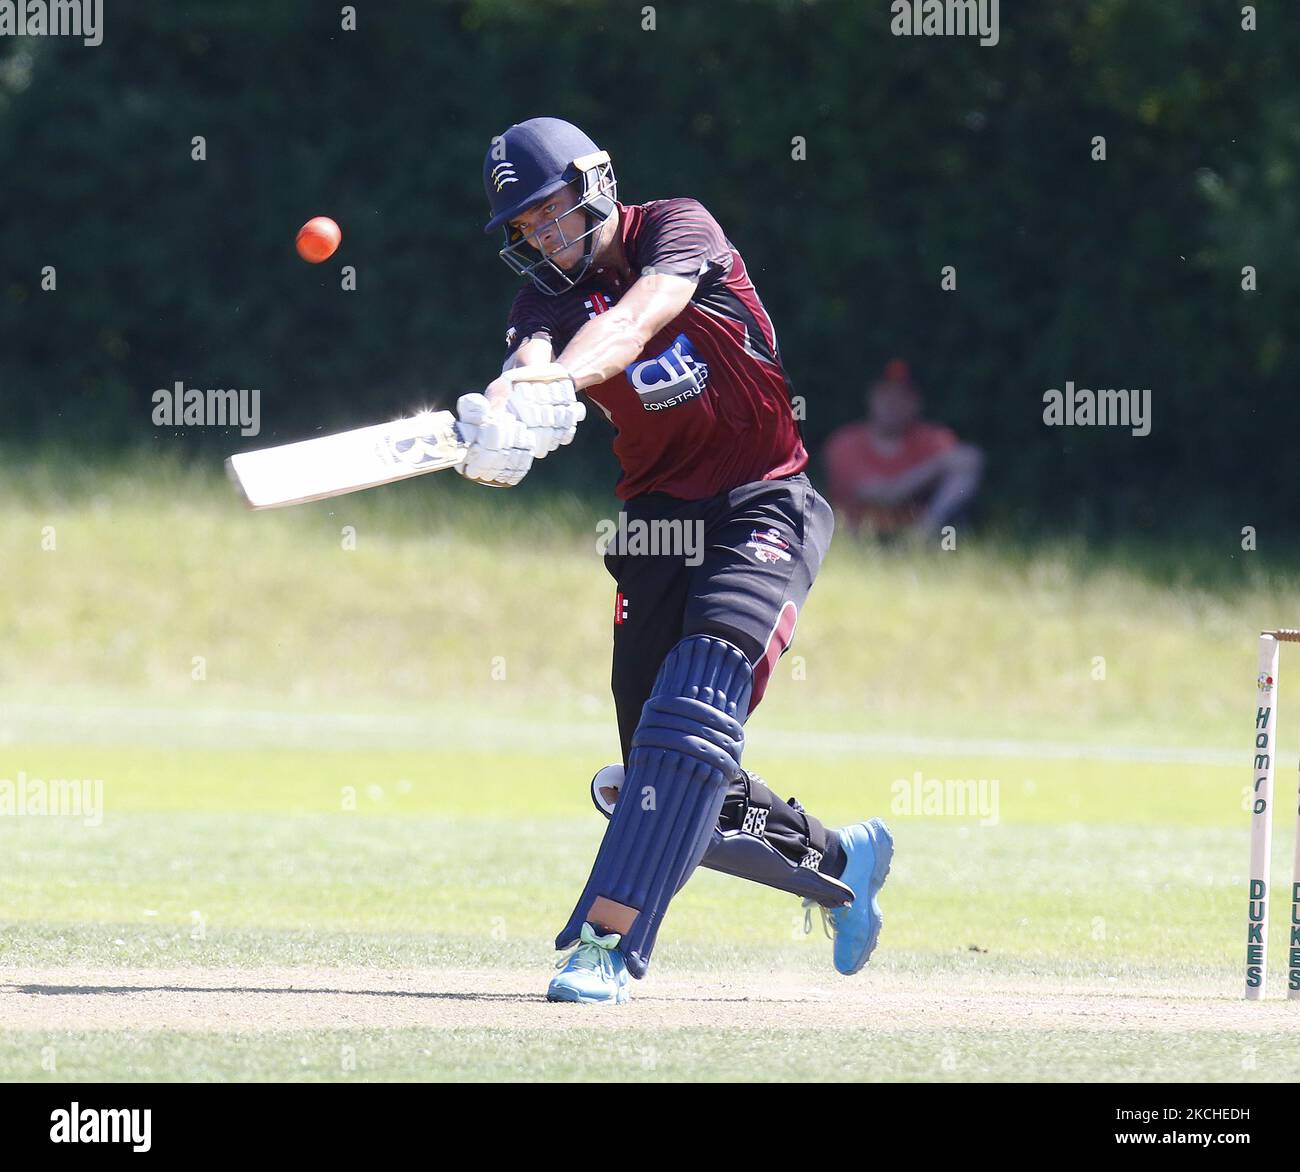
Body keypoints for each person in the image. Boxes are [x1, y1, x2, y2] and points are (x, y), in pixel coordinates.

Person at [457, 117, 893, 1004]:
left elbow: (639, 316)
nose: (542, 238)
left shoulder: (678, 228)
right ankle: (847, 859)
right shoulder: (542, 300)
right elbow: (530, 358)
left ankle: (604, 946)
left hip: (762, 501)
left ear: (597, 184)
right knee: (665, 780)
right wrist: (498, 422)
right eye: (525, 229)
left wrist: (560, 384)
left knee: (692, 714)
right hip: (656, 529)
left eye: (550, 213)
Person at [824, 359, 984, 538]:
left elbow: (969, 460)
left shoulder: (932, 438)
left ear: (917, 403)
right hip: (862, 538)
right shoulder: (844, 443)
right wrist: (936, 466)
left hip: (916, 537)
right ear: (871, 397)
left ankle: (924, 536)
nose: (892, 403)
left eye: (903, 395)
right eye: (885, 393)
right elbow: (880, 496)